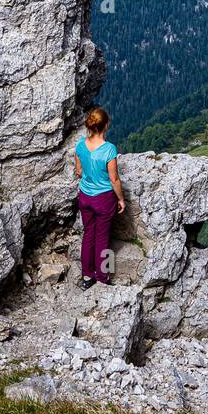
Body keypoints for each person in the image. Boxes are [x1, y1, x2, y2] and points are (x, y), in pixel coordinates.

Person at [74, 106, 125, 289]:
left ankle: (87, 276)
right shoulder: (109, 149)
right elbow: (114, 179)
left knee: (88, 235)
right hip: (103, 199)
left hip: (85, 196)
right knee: (104, 238)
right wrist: (121, 199)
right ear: (106, 125)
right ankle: (103, 276)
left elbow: (78, 171)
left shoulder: (80, 144)